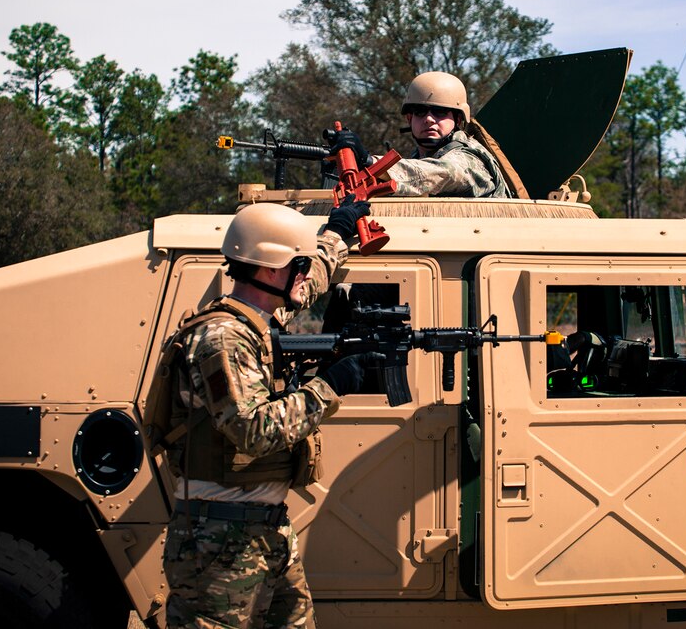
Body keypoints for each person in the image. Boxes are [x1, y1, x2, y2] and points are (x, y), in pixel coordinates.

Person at [162, 199, 378, 629]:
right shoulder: (223, 338)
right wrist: (329, 387)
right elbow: (253, 430)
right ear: (271, 270)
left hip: (266, 530)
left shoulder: (259, 319)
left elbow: (311, 281)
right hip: (218, 545)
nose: (304, 275)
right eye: (297, 265)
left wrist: (336, 232)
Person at [332, 71, 512, 198]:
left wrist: (368, 161)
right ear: (409, 118)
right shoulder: (421, 157)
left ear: (458, 120)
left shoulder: (469, 158)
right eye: (420, 112)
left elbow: (441, 173)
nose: (429, 119)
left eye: (440, 112)